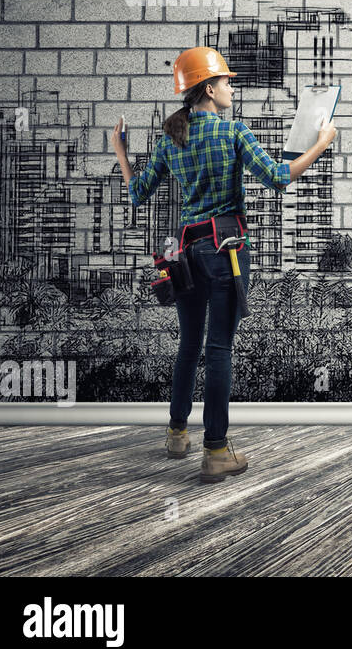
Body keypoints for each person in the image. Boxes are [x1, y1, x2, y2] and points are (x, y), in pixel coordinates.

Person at [112, 46, 337, 484]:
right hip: (226, 249)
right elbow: (278, 178)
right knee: (219, 349)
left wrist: (120, 150)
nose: (232, 87)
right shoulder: (233, 132)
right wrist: (322, 144)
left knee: (188, 345)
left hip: (184, 254)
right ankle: (216, 451)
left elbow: (137, 193)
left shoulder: (169, 139)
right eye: (227, 81)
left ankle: (177, 433)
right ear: (209, 88)